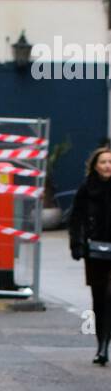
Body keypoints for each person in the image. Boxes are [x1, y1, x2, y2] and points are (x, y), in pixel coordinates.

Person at [69, 144, 111, 366]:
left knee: (110, 295)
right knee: (99, 298)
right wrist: (76, 244)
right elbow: (75, 218)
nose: (107, 166)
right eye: (103, 162)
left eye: (110, 162)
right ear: (95, 166)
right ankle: (101, 345)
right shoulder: (86, 189)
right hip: (94, 252)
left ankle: (105, 344)